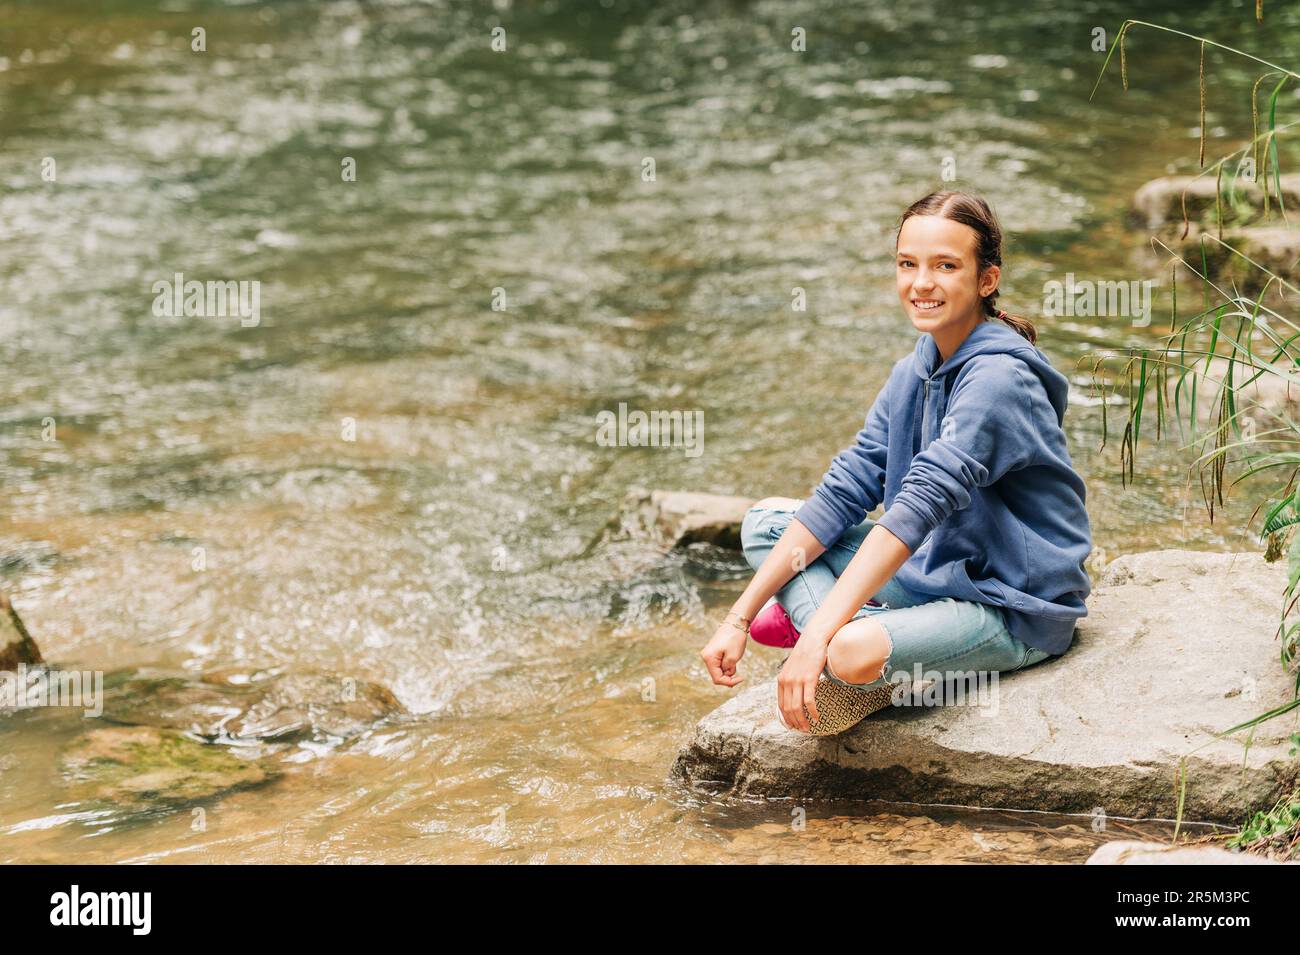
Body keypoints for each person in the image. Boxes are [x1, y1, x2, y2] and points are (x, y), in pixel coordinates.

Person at [699, 190, 1093, 735]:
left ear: (987, 280)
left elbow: (913, 509)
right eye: (908, 264)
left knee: (848, 647)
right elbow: (846, 490)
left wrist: (815, 642)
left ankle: (843, 643)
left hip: (1010, 606)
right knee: (765, 523)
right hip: (937, 569)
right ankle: (862, 638)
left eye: (945, 266)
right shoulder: (915, 368)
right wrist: (737, 619)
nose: (921, 283)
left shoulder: (1000, 380)